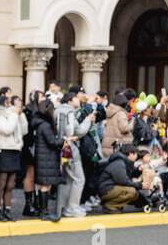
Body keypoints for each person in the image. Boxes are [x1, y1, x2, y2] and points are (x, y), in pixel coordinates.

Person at [0, 93, 25, 221]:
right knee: (1, 183)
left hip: (15, 149)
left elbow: (23, 130)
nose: (11, 105)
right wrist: (15, 114)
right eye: (9, 103)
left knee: (11, 184)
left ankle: (7, 210)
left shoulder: (12, 115)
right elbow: (6, 129)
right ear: (3, 103)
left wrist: (21, 116)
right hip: (3, 150)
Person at [54, 87, 89, 218]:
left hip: (61, 147)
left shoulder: (57, 111)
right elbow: (76, 131)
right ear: (70, 101)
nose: (78, 100)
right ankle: (72, 207)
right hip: (70, 147)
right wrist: (88, 121)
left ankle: (63, 206)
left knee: (68, 179)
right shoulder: (69, 112)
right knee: (79, 179)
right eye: (76, 98)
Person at [31, 97, 64, 221]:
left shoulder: (39, 123)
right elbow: (52, 142)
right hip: (47, 158)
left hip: (43, 157)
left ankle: (42, 210)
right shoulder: (45, 125)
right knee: (46, 185)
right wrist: (64, 140)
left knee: (43, 185)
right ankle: (44, 212)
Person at [96, 143, 145, 213]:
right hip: (106, 190)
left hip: (109, 188)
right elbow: (123, 181)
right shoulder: (119, 163)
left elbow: (128, 175)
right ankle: (110, 206)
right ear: (131, 154)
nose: (137, 157)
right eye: (136, 154)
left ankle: (113, 205)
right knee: (131, 191)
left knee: (135, 193)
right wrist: (140, 185)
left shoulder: (123, 162)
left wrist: (138, 171)